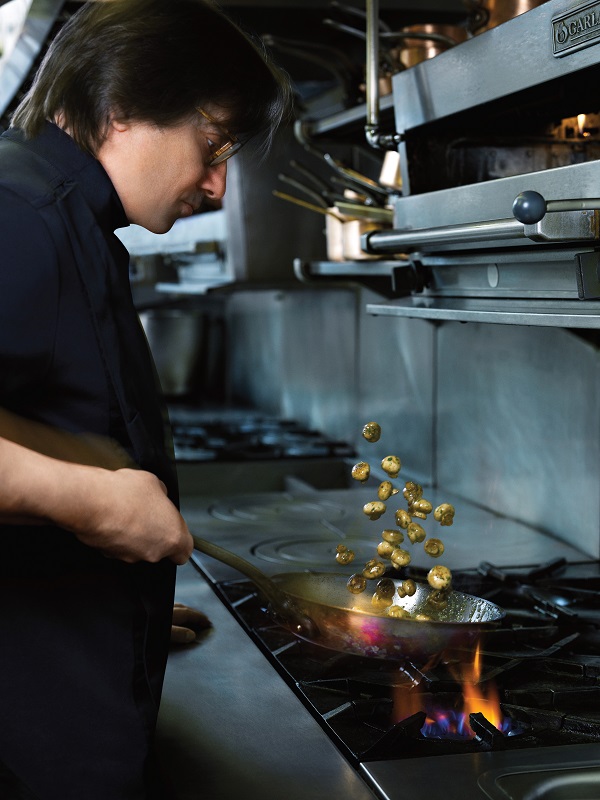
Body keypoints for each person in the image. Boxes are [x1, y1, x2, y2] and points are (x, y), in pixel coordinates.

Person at [0, 0, 291, 797]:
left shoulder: (69, 219)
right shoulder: (21, 215)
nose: (219, 181)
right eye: (214, 143)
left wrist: (107, 611)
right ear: (124, 106)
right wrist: (96, 503)